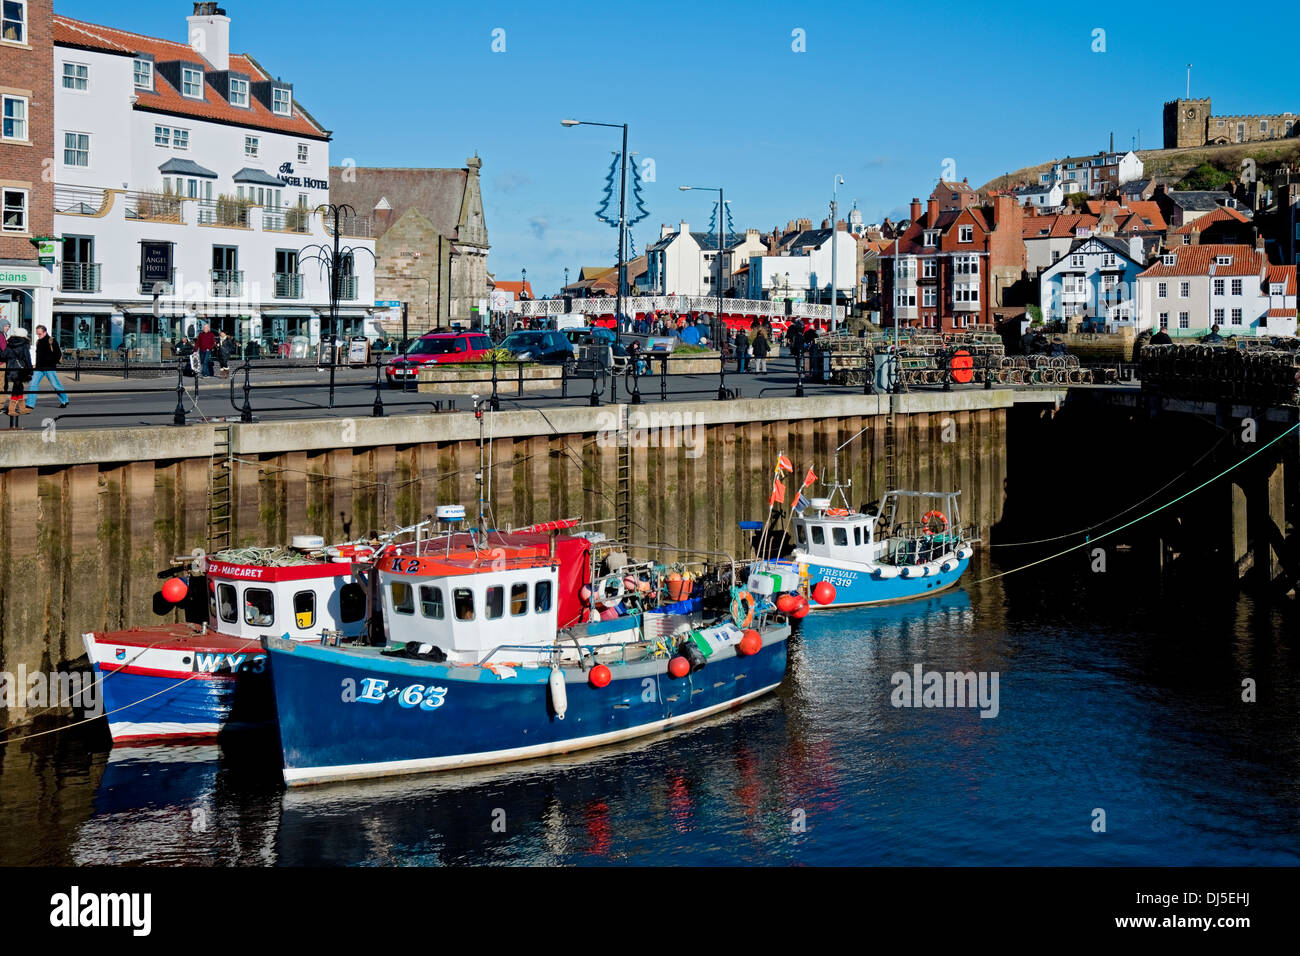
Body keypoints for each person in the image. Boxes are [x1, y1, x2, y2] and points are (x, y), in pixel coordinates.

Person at [26, 325, 68, 409]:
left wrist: (51, 363)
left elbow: (58, 354)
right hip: (39, 368)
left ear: (45, 332)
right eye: (37, 334)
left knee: (55, 385)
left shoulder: (52, 341)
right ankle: (30, 404)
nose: (38, 335)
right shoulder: (38, 342)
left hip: (49, 367)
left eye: (40, 334)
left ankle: (64, 400)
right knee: (33, 384)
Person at [2, 326, 33, 429]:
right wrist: (30, 370)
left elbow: (3, 355)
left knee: (19, 387)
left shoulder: (10, 343)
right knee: (17, 388)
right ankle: (12, 409)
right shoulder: (24, 344)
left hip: (11, 369)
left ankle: (22, 407)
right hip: (21, 369)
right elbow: (27, 358)